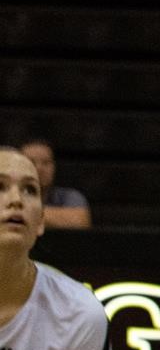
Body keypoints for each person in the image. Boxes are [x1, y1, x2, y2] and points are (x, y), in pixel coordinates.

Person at [0, 146, 108, 349]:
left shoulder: (80, 312)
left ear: (41, 221)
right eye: (0, 186)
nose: (16, 200)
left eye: (30, 189)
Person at [18, 140, 89, 230]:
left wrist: (23, 211)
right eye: (31, 162)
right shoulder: (6, 194)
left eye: (46, 162)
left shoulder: (70, 196)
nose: (39, 168)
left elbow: (80, 222)